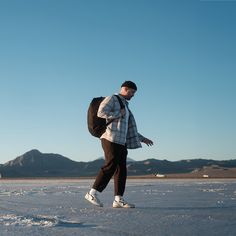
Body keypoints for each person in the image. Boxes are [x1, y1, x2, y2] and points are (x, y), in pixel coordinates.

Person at [85, 81, 153, 208]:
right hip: (110, 138)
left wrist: (142, 138)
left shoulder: (125, 106)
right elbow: (101, 112)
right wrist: (118, 114)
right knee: (110, 166)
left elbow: (128, 127)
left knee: (121, 170)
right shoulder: (112, 99)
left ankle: (118, 199)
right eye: (132, 92)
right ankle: (92, 193)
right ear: (125, 89)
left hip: (122, 141)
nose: (133, 95)